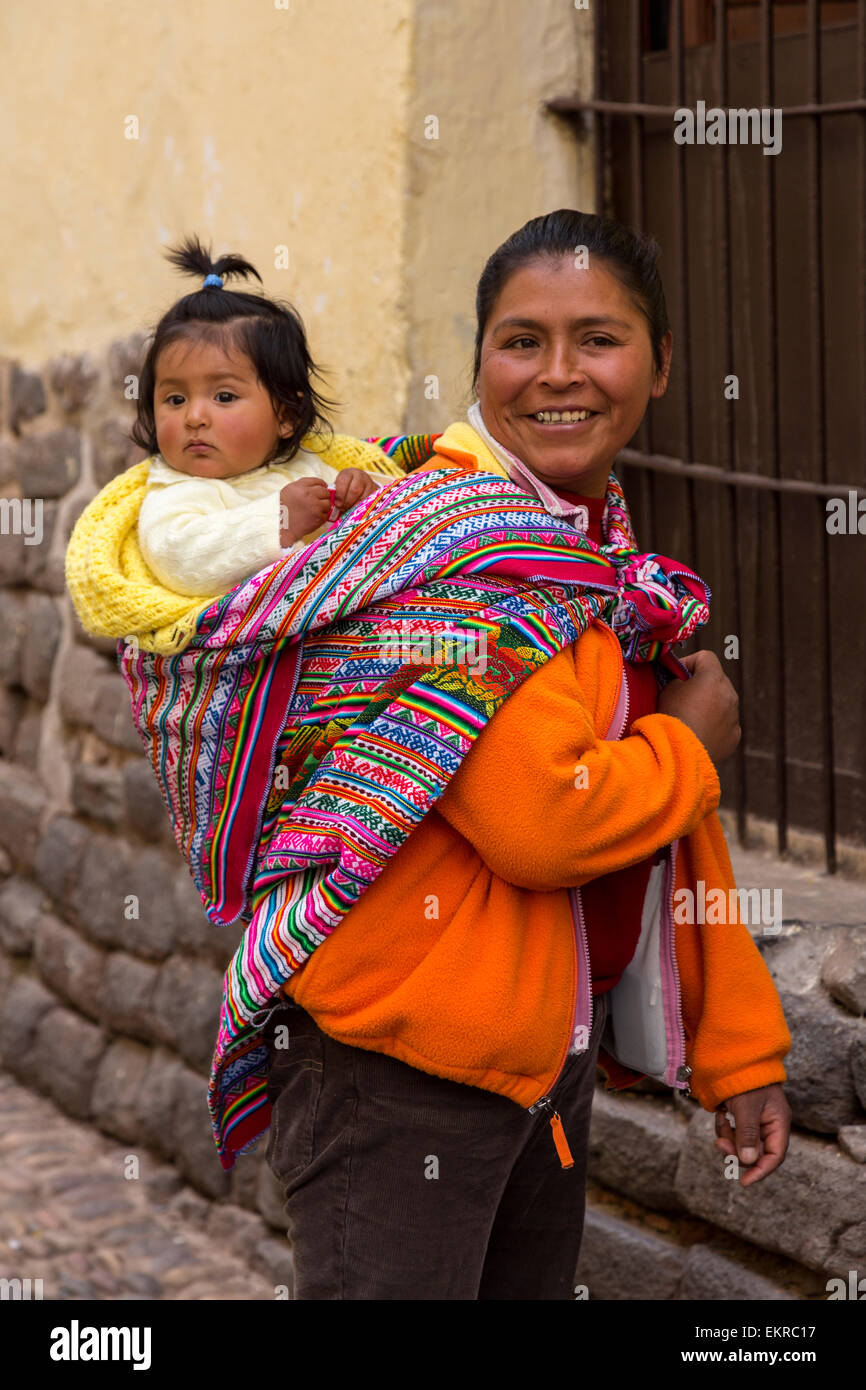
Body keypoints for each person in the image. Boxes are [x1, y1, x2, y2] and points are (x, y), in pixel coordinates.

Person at [261, 209, 793, 1300]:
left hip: (536, 1059)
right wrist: (690, 745)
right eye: (520, 341)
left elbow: (669, 820)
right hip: (399, 1072)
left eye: (596, 339)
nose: (558, 374)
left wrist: (736, 1046)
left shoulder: (590, 541)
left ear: (659, 365)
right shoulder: (454, 547)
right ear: (479, 360)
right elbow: (541, 824)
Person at [131, 235, 396, 598]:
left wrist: (363, 491)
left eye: (223, 396)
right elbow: (180, 561)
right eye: (175, 399)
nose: (193, 417)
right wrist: (279, 521)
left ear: (286, 415)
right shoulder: (175, 493)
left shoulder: (309, 467)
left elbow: (392, 517)